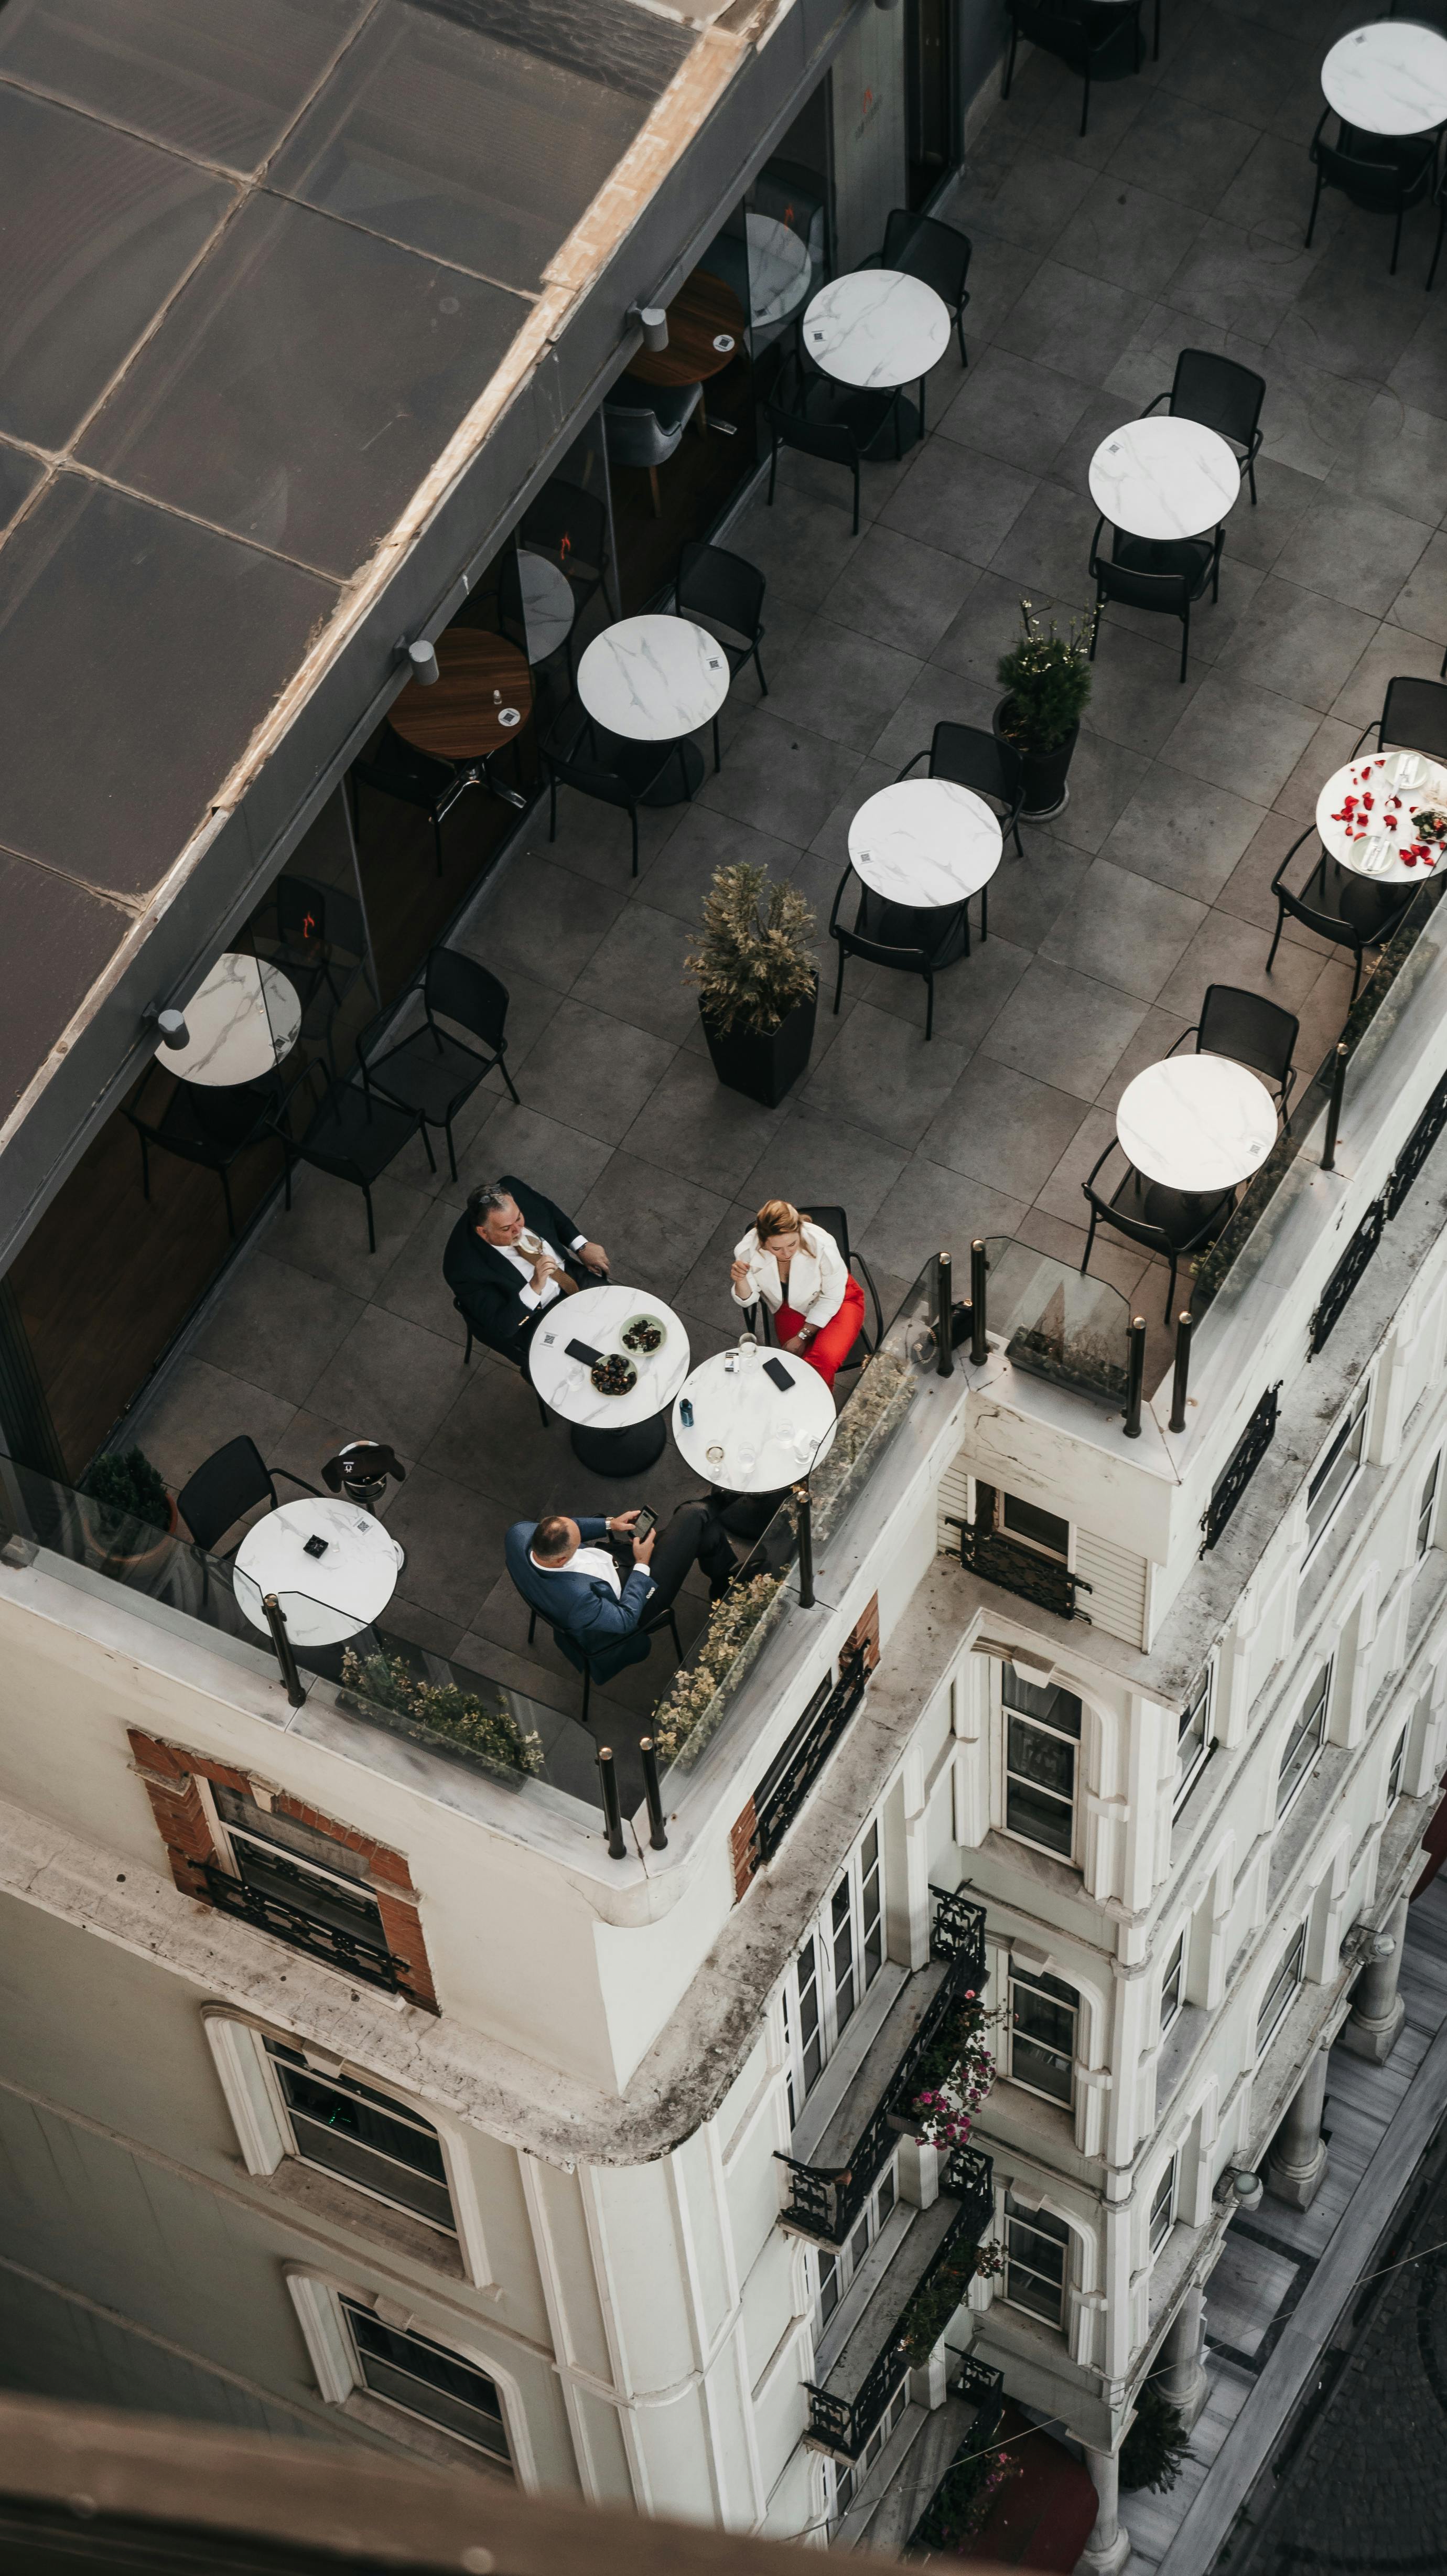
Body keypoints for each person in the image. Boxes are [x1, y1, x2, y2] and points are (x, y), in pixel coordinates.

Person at [505, 1503, 735, 1678]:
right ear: (562, 1559)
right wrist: (642, 1564)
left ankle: (727, 1583)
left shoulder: (519, 1535)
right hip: (637, 1599)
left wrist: (609, 1524)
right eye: (577, 1544)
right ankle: (727, 1501)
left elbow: (568, 1528)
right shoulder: (578, 1601)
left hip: (618, 1563)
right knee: (694, 1514)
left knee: (709, 1534)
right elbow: (626, 1619)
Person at [444, 1176, 610, 1367]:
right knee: (582, 1368)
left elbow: (550, 1213)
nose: (519, 1230)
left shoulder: (515, 1191)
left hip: (571, 1277)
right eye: (507, 1229)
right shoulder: (462, 1268)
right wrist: (534, 1287)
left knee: (620, 1317)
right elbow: (503, 1327)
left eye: (519, 1219)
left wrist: (581, 1245)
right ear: (483, 1232)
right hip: (534, 1318)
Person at [729, 1198, 864, 1389]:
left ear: (799, 1231)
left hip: (840, 1300)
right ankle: (809, 1405)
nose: (786, 1253)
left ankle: (813, 1410)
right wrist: (740, 1279)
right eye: (777, 1248)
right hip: (790, 1306)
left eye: (792, 1244)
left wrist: (803, 1336)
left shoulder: (822, 1244)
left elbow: (832, 1297)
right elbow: (747, 1301)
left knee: (824, 1359)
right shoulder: (747, 1251)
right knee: (794, 1365)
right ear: (763, 1242)